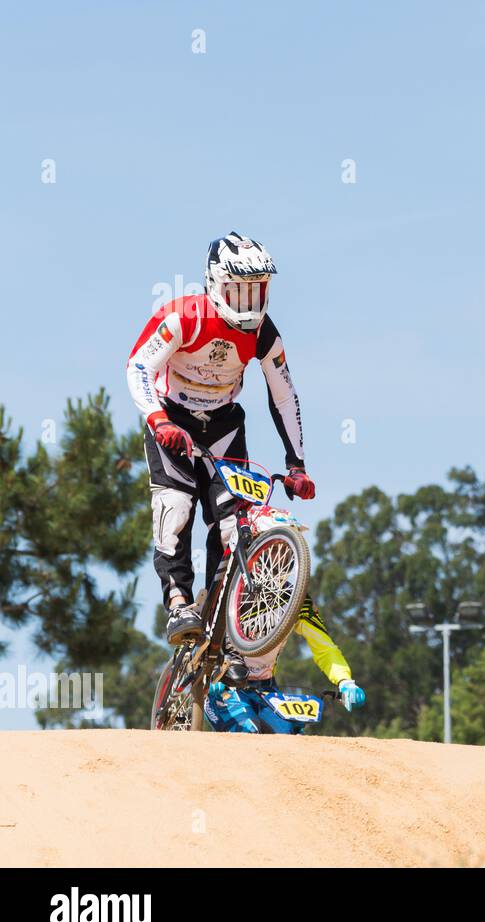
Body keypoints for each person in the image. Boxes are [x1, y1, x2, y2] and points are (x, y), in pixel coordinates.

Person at [126, 232, 315, 655]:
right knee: (175, 509)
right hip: (173, 422)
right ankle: (178, 603)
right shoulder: (182, 317)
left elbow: (284, 394)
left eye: (257, 289)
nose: (248, 301)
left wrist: (297, 464)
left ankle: (220, 611)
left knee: (233, 523)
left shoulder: (265, 334)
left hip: (225, 425)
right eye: (238, 289)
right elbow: (138, 365)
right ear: (214, 284)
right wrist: (157, 418)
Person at [203, 596, 366, 733]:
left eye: (285, 556)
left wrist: (345, 681)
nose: (279, 557)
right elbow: (202, 634)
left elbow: (324, 648)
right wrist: (209, 672)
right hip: (224, 687)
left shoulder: (298, 600)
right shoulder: (234, 587)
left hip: (266, 688)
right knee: (247, 731)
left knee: (290, 737)